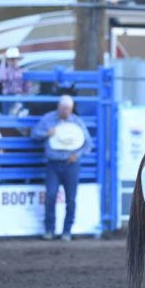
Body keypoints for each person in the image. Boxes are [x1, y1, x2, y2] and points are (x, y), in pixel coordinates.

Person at [31, 95, 92, 241]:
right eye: (64, 108)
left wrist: (76, 155)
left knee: (70, 199)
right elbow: (34, 134)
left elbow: (88, 144)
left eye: (68, 109)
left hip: (71, 164)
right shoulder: (48, 119)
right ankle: (49, 230)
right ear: (58, 107)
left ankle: (67, 231)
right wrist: (46, 133)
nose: (66, 111)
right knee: (50, 196)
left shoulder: (77, 121)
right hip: (53, 163)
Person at [0, 47, 31, 116]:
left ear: (18, 60)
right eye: (10, 59)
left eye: (15, 59)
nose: (13, 61)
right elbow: (0, 79)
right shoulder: (5, 71)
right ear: (7, 61)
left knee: (19, 117)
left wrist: (24, 96)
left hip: (19, 97)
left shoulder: (23, 71)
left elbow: (28, 87)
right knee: (7, 118)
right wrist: (2, 63)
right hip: (7, 98)